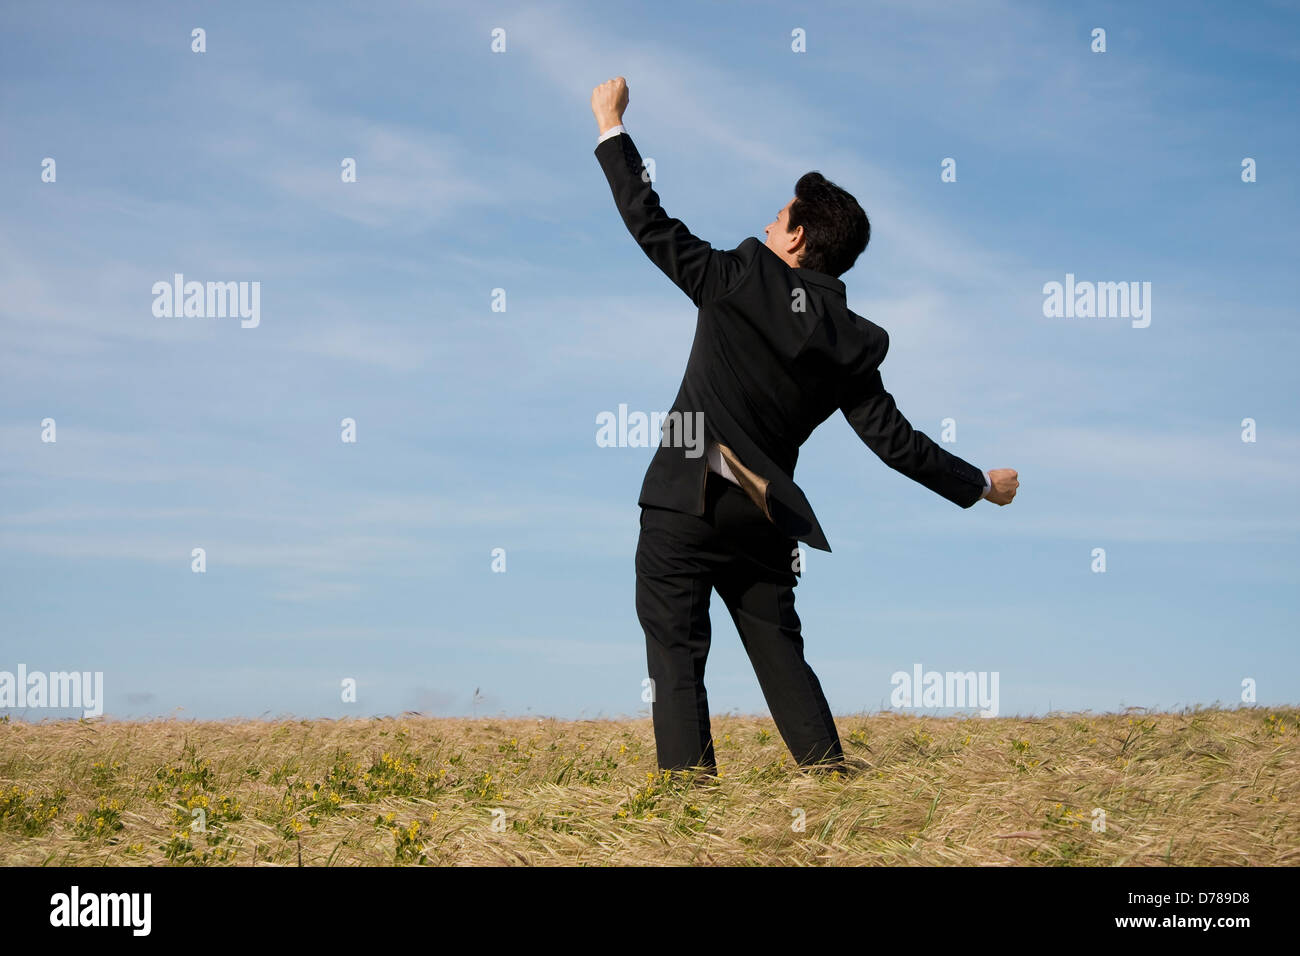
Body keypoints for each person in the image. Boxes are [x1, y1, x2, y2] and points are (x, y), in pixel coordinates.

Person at [591, 76, 1019, 776]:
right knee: (779, 654)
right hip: (762, 514)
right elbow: (896, 444)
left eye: (776, 217)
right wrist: (979, 485)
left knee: (676, 658)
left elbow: (649, 220)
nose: (766, 224)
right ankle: (832, 782)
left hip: (683, 502)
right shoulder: (850, 343)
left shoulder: (736, 278)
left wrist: (612, 126)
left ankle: (687, 806)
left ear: (795, 240)